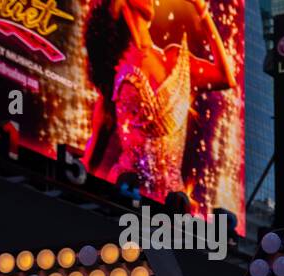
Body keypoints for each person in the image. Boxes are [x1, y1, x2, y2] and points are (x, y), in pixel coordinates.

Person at [84, 0, 236, 203]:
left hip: (172, 203)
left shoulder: (173, 59)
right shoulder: (114, 68)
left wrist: (202, 12)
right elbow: (93, 153)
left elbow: (225, 77)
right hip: (126, 194)